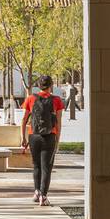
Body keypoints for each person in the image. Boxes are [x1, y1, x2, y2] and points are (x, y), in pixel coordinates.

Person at [20, 74, 65, 206]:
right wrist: (57, 139)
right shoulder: (57, 101)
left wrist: (23, 137)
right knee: (47, 167)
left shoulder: (30, 99)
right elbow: (58, 123)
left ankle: (37, 192)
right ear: (51, 86)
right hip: (49, 136)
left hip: (33, 136)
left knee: (36, 165)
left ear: (38, 86)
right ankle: (43, 196)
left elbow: (24, 119)